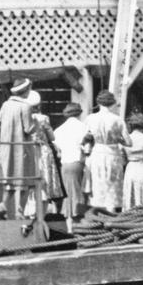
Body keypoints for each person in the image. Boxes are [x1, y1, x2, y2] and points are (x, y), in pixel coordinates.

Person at [0, 79, 38, 219]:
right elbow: (29, 128)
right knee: (23, 183)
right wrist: (37, 122)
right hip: (22, 150)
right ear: (26, 90)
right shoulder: (26, 107)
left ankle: (3, 205)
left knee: (9, 181)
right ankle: (20, 211)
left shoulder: (5, 105)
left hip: (7, 150)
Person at [84, 91, 127, 215]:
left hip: (97, 153)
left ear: (98, 103)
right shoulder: (117, 119)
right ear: (112, 104)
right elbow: (128, 142)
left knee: (97, 187)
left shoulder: (90, 118)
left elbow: (86, 139)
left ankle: (98, 216)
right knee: (112, 188)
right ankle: (111, 215)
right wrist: (118, 139)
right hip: (113, 154)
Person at [52, 101, 90, 232]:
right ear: (79, 114)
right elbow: (87, 147)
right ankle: (78, 226)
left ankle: (70, 227)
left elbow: (58, 152)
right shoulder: (84, 127)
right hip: (78, 163)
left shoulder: (58, 130)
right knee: (79, 194)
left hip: (65, 164)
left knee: (68, 195)